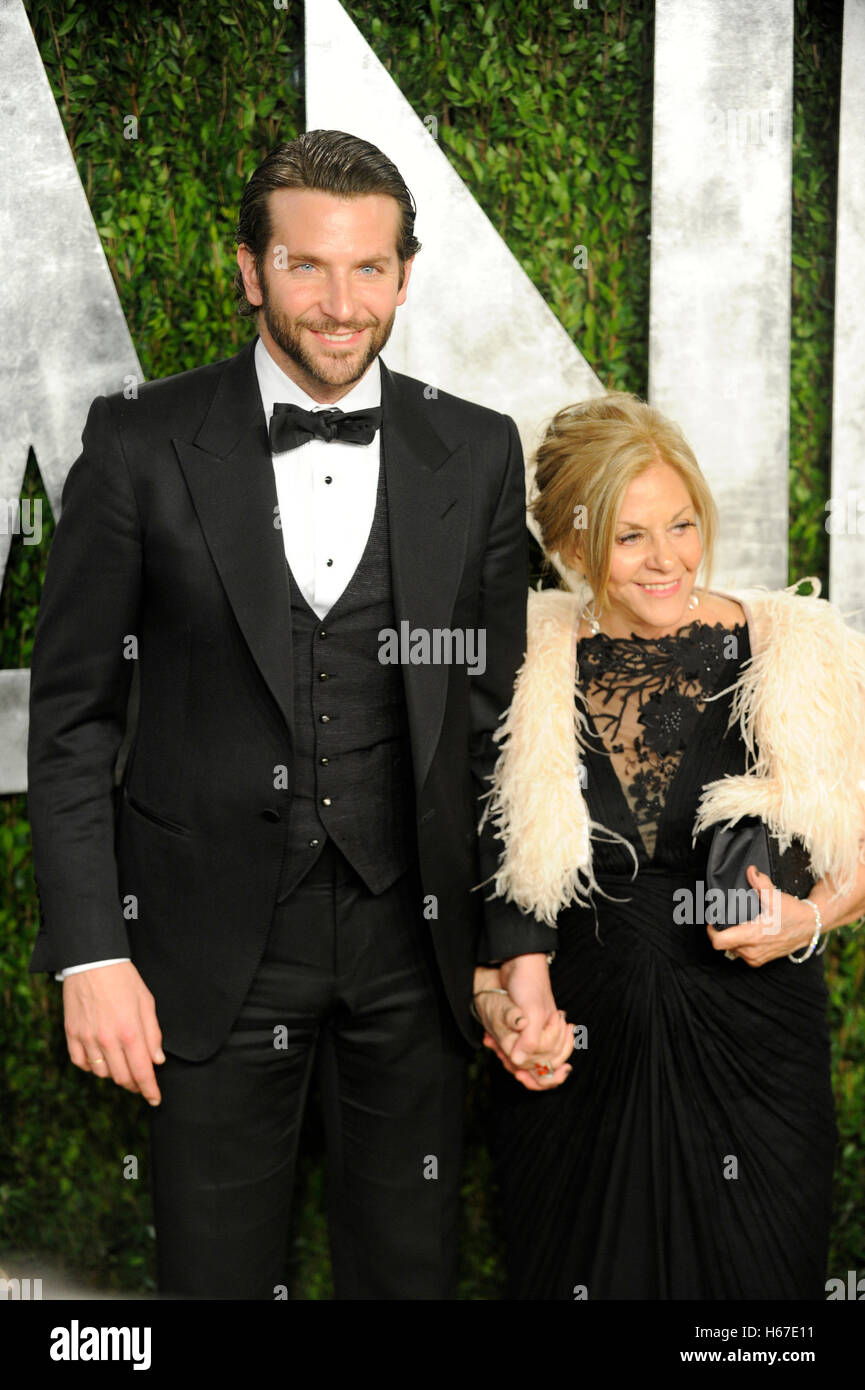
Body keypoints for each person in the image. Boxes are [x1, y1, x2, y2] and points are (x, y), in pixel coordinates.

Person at [26, 129, 570, 1301]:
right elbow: (72, 716)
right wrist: (90, 950)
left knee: (408, 1274)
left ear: (405, 275)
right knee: (214, 1280)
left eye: (368, 267)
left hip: (413, 948)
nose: (340, 302)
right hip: (200, 949)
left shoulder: (472, 450)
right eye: (306, 266)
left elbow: (494, 729)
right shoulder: (139, 443)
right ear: (248, 269)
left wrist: (515, 943)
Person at [479, 392, 865, 1300]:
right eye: (629, 537)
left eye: (681, 525)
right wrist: (502, 1006)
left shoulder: (793, 651)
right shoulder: (519, 661)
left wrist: (805, 915)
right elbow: (476, 872)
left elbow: (858, 843)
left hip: (755, 1051)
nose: (666, 562)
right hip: (575, 1049)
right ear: (572, 548)